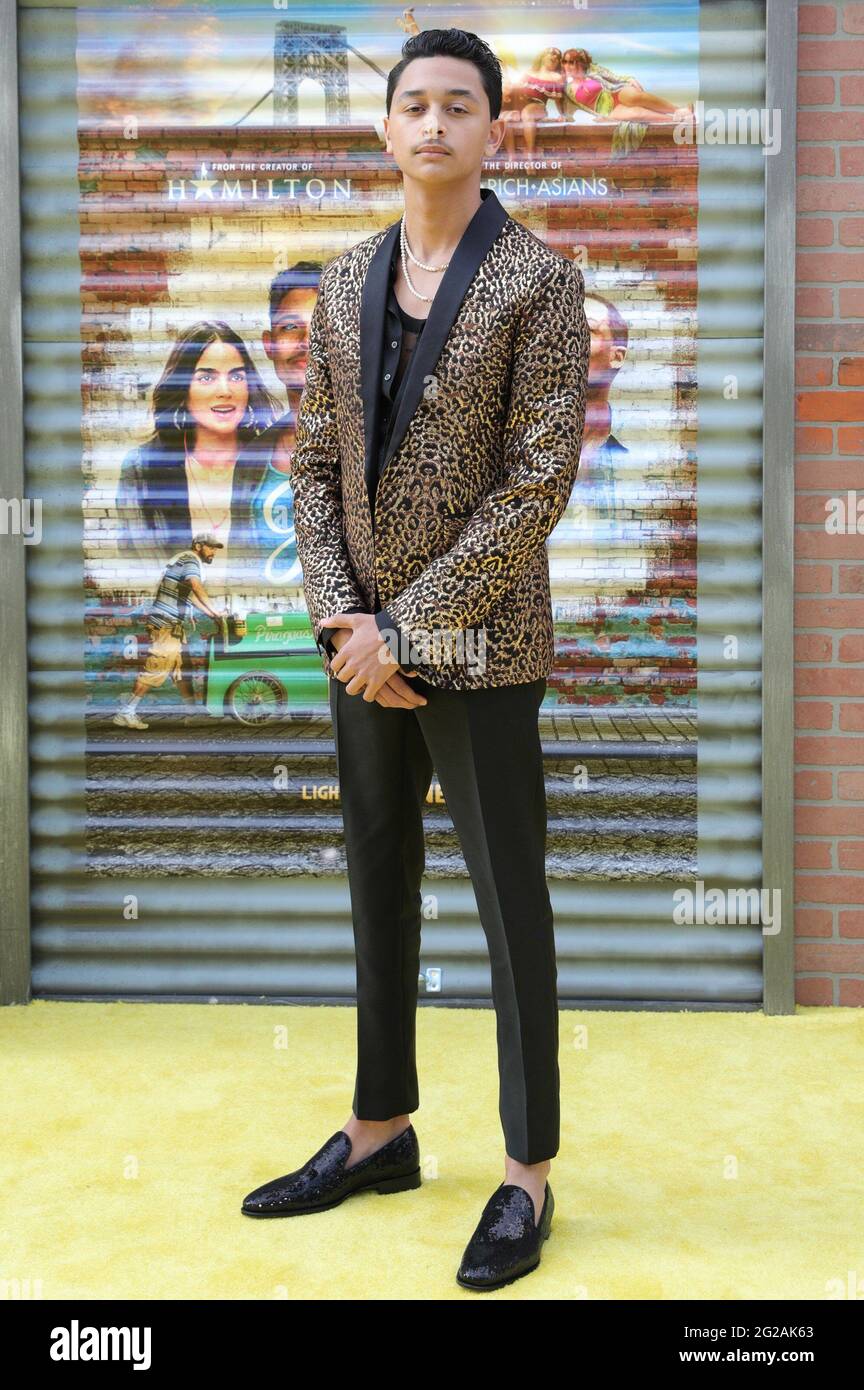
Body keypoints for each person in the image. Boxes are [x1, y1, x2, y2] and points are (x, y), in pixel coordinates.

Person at [240, 27, 589, 1291]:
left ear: (495, 129)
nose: (434, 124)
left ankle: (526, 1174)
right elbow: (313, 470)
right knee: (376, 881)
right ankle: (379, 1129)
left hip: (484, 645)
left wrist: (413, 629)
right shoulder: (342, 282)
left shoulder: (540, 281)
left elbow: (535, 483)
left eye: (460, 106)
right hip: (361, 655)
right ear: (384, 130)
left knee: (511, 908)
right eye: (414, 106)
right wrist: (346, 625)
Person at [112, 533, 227, 730]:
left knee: (183, 669)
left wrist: (213, 615)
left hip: (173, 625)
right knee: (156, 667)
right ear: (198, 546)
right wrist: (216, 611)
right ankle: (126, 712)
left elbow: (191, 596)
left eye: (215, 548)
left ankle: (193, 714)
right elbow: (196, 586)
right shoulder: (191, 560)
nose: (213, 552)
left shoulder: (185, 561)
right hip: (166, 624)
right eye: (210, 547)